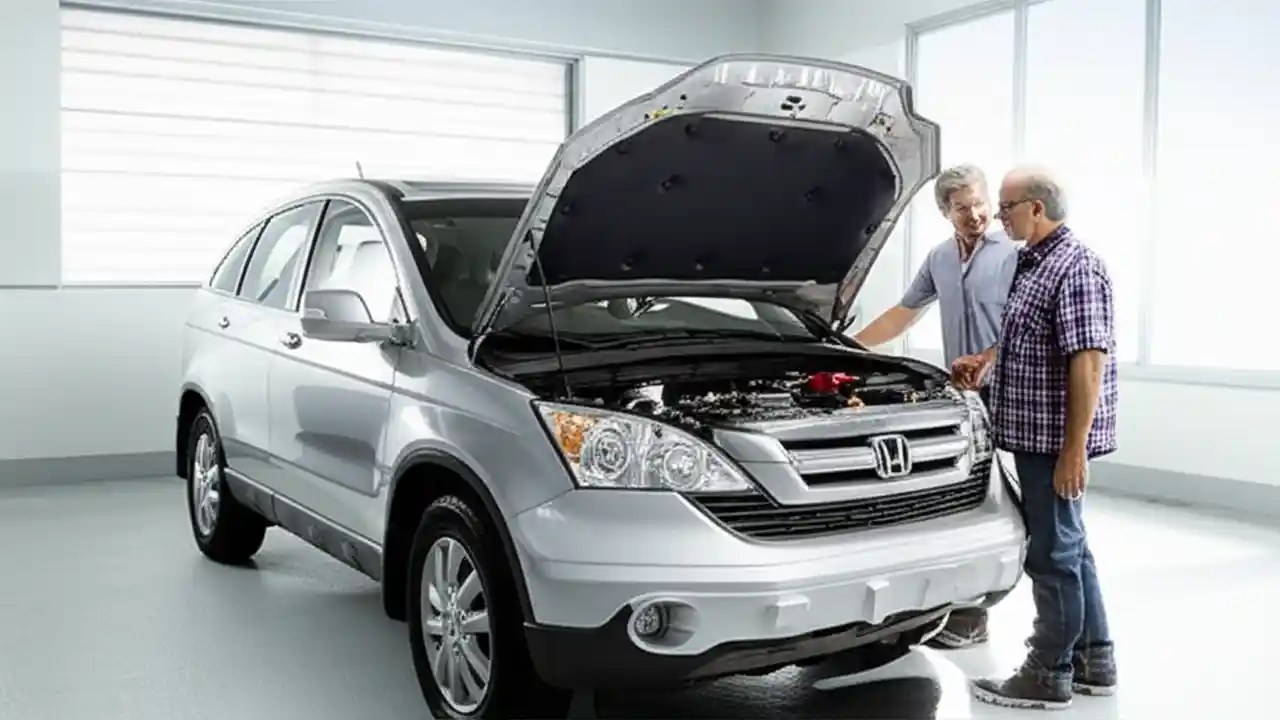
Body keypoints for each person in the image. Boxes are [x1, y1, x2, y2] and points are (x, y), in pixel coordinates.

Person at [953, 166, 1118, 710]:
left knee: (1051, 554)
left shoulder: (1076, 268)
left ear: (1036, 209)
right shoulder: (1034, 262)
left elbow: (1088, 363)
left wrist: (1074, 451)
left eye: (1005, 208)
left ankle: (1048, 673)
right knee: (1073, 547)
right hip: (1032, 433)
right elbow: (1025, 334)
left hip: (1053, 441)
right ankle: (1096, 659)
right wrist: (987, 360)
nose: (998, 218)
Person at [854, 163, 1017, 650]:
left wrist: (990, 359)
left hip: (1012, 392)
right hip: (965, 402)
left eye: (980, 203)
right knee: (962, 505)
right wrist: (848, 348)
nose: (975, 214)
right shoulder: (940, 259)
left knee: (1005, 507)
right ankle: (965, 614)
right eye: (962, 207)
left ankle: (981, 612)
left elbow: (1025, 325)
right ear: (945, 212)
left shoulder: (1014, 255)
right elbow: (903, 313)